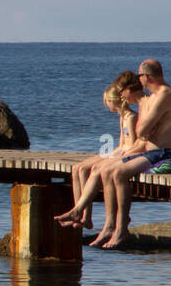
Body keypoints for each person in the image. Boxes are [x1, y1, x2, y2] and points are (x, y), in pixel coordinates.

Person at [56, 59, 171, 249]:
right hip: (153, 153)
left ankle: (120, 228)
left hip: (167, 155)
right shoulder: (153, 97)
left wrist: (145, 128)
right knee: (105, 170)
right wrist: (145, 128)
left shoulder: (164, 94)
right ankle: (103, 223)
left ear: (146, 77)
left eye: (139, 77)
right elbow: (144, 131)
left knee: (117, 173)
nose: (138, 81)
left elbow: (142, 130)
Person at [61, 71, 143, 231]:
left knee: (88, 169)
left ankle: (85, 216)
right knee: (78, 168)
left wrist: (114, 157)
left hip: (126, 154)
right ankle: (81, 213)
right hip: (119, 151)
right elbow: (120, 143)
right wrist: (109, 154)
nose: (106, 105)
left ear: (114, 100)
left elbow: (131, 143)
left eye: (107, 101)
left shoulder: (131, 117)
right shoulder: (122, 117)